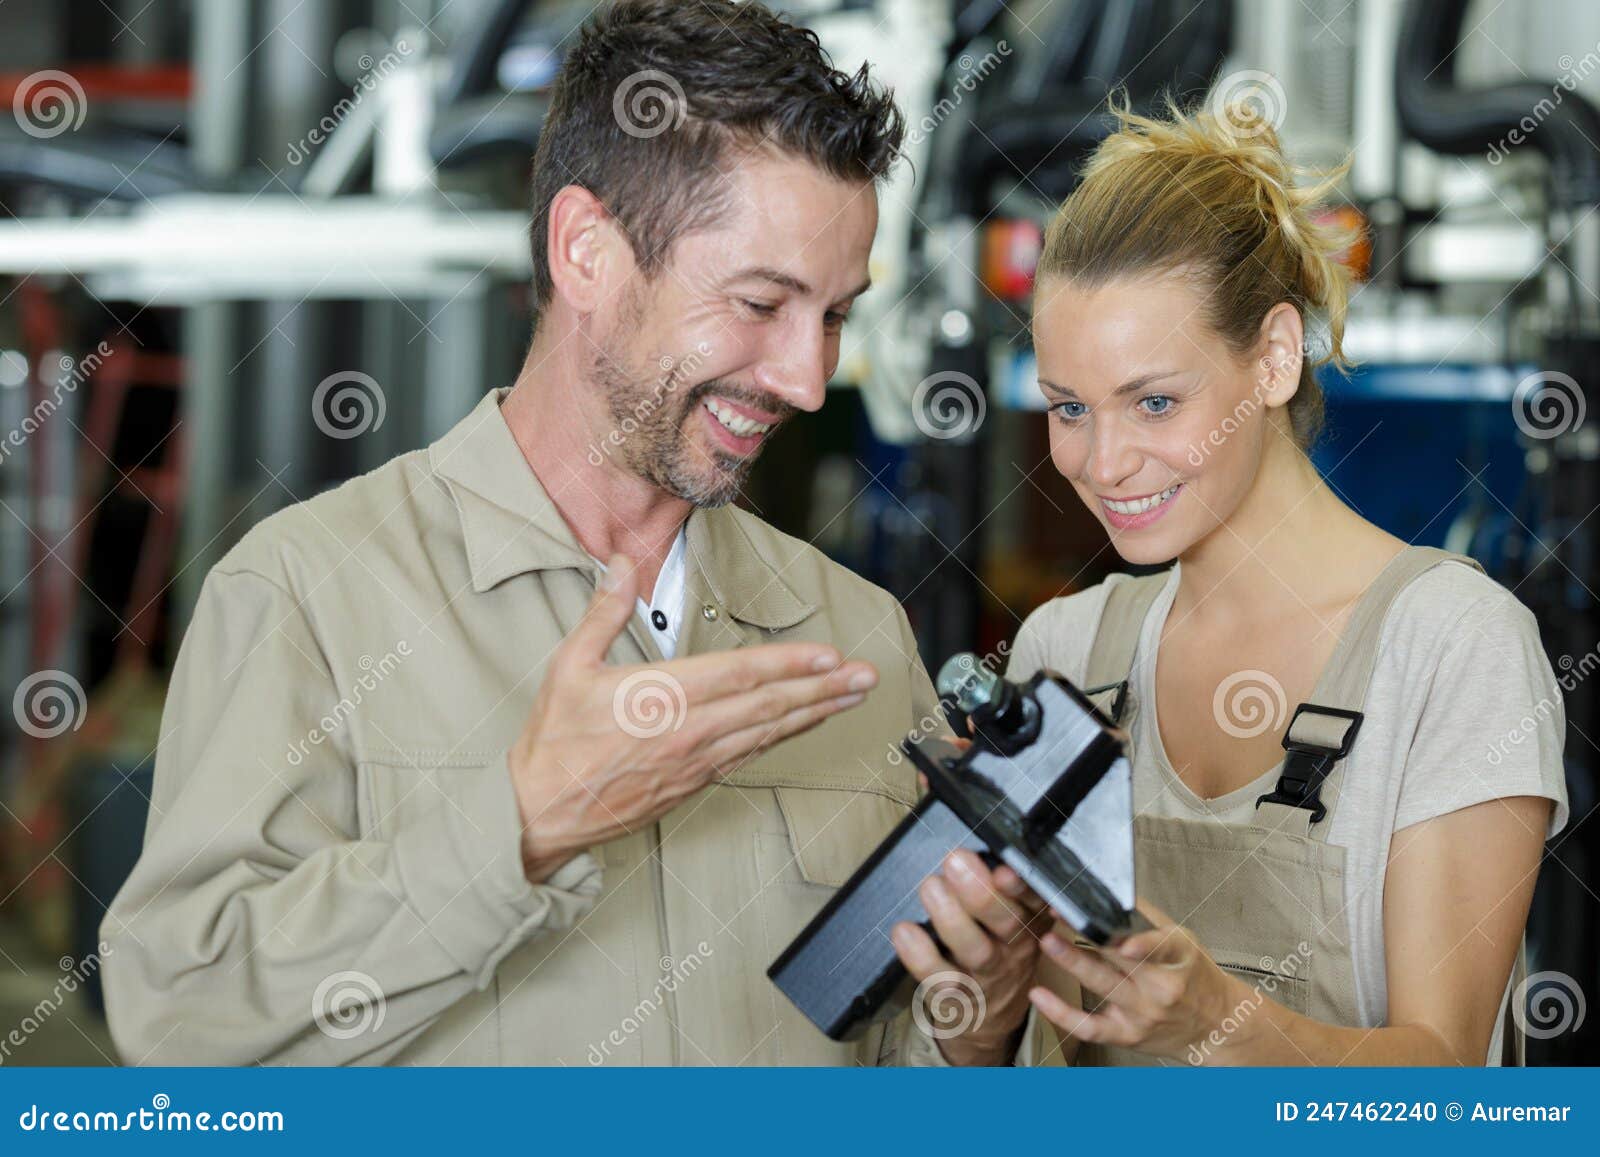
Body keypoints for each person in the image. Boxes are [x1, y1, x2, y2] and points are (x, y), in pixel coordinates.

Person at [99, 0, 1041, 1067]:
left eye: (831, 315)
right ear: (588, 251)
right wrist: (522, 823)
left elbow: (894, 1070)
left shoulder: (854, 634)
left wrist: (981, 1017)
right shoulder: (310, 593)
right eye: (759, 302)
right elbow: (177, 1021)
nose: (807, 378)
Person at [894, 97, 1568, 1066]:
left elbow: (1447, 1089)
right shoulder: (1063, 651)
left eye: (1155, 400)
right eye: (1068, 406)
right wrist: (983, 1010)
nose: (1104, 460)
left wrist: (1222, 1020)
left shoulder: (1452, 646)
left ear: (1275, 356)